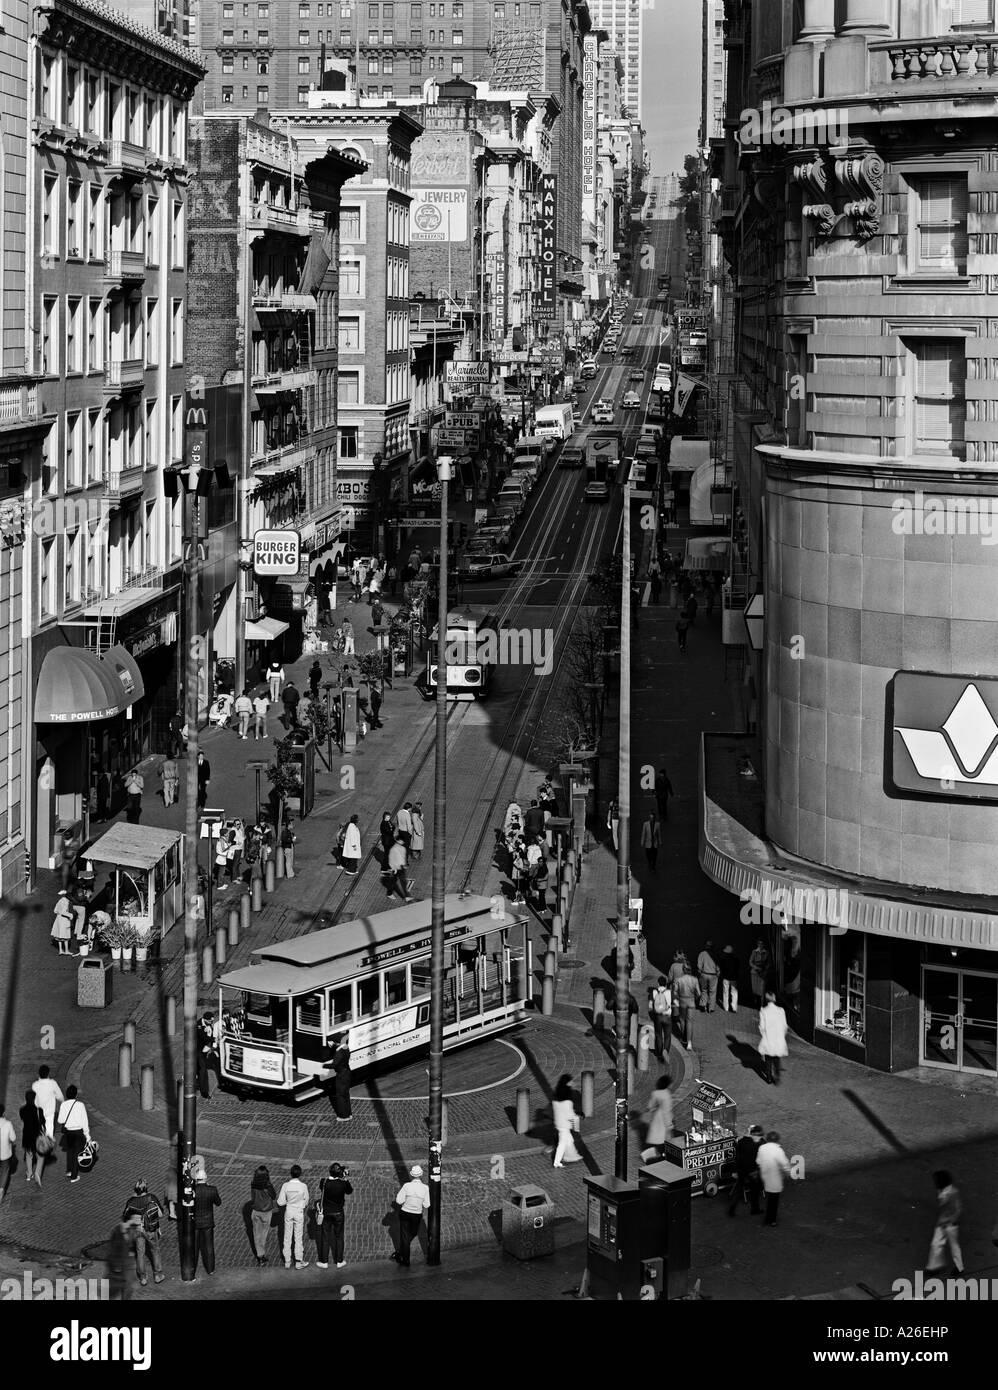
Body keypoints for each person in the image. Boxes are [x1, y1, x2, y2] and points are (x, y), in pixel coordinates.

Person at [121, 1180, 165, 1286]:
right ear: (146, 1188)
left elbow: (125, 1216)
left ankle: (143, 1278)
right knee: (155, 1251)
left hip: (137, 1229)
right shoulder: (152, 1198)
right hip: (150, 1229)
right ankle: (158, 1275)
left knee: (140, 1253)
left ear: (135, 1189)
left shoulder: (131, 1201)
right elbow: (160, 1214)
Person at [316, 1163, 353, 1269]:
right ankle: (339, 1260)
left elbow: (322, 1188)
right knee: (339, 1237)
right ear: (340, 1173)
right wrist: (345, 1179)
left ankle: (324, 1262)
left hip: (326, 1212)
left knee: (325, 1237)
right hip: (338, 1213)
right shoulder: (343, 1184)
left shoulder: (324, 1182)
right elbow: (350, 1191)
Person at [927, 1171, 964, 1275]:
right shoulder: (941, 1191)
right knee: (936, 1244)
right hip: (943, 1222)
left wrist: (952, 1220)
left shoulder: (953, 1192)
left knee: (954, 1246)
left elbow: (958, 1209)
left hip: (950, 1223)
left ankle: (959, 1267)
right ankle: (935, 1266)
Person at [393, 1165, 430, 1267]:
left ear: (412, 1175)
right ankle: (405, 1258)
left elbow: (399, 1200)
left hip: (405, 1212)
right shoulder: (425, 1188)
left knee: (405, 1235)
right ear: (421, 1175)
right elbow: (426, 1204)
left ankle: (402, 1255)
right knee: (412, 1233)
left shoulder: (406, 1186)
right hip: (416, 1215)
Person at [278, 1164, 311, 1269]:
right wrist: (300, 1204)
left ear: (291, 1173)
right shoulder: (303, 1186)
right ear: (300, 1174)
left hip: (289, 1211)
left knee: (287, 1237)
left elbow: (280, 1202)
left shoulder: (285, 1185)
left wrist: (289, 1201)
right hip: (299, 1212)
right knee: (298, 1237)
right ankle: (298, 1261)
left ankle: (287, 1261)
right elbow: (306, 1201)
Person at [56, 1085, 91, 1183]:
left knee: (70, 1152)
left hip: (68, 1133)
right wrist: (87, 1135)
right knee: (76, 1153)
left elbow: (60, 1120)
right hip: (78, 1132)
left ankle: (69, 1171)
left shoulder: (63, 1105)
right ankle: (74, 1176)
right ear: (75, 1094)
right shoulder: (80, 1105)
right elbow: (85, 1121)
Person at [192, 1160, 221, 1275]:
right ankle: (210, 1269)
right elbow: (218, 1202)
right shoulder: (212, 1190)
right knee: (209, 1246)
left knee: (194, 1247)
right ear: (206, 1178)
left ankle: (192, 1269)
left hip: (195, 1222)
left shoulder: (193, 1190)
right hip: (208, 1221)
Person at [757, 1132, 792, 1227]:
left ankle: (767, 1219)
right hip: (775, 1178)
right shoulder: (778, 1150)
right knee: (774, 1200)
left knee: (770, 1199)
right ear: (777, 1140)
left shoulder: (762, 1148)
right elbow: (784, 1164)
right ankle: (771, 1220)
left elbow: (758, 1162)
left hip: (765, 1177)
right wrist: (789, 1173)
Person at [727, 1125, 764, 1217]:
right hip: (753, 1171)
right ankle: (755, 1209)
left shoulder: (742, 1141)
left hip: (742, 1170)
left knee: (738, 1189)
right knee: (754, 1191)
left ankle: (732, 1210)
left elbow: (737, 1157)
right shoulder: (760, 1142)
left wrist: (735, 1170)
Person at [758, 992, 789, 1085]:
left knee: (768, 1058)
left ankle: (769, 1078)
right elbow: (784, 1026)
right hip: (778, 1037)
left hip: (768, 1037)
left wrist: (764, 1035)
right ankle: (777, 1075)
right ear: (774, 999)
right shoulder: (781, 1010)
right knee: (776, 1057)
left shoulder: (763, 1011)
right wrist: (782, 1035)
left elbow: (761, 1027)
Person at [552, 1074, 582, 1168]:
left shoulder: (556, 1098)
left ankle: (571, 1156)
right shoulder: (568, 1102)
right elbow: (570, 1116)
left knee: (570, 1140)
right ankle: (557, 1162)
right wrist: (576, 1117)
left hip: (559, 1123)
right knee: (562, 1144)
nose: (572, 1083)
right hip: (565, 1125)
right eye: (570, 1081)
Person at [250, 1165, 278, 1266]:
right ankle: (261, 1254)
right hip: (266, 1212)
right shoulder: (268, 1186)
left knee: (256, 1234)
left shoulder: (253, 1184)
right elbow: (274, 1196)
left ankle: (260, 1255)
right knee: (263, 1234)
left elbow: (253, 1197)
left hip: (256, 1211)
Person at [642, 1077, 673, 1159]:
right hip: (664, 1117)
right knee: (666, 1138)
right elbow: (666, 1111)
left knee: (657, 1136)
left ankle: (656, 1153)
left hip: (657, 1116)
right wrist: (669, 1124)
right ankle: (662, 1154)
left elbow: (650, 1106)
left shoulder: (655, 1093)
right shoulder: (667, 1094)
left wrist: (654, 1109)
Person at [19, 1090, 45, 1187]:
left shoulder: (22, 1110)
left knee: (28, 1154)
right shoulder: (39, 1110)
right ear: (34, 1098)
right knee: (40, 1156)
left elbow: (22, 1118)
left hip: (26, 1135)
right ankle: (37, 1173)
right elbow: (43, 1122)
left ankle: (29, 1174)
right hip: (37, 1135)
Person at [673, 963, 701, 1051]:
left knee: (682, 1019)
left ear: (683, 970)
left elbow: (675, 992)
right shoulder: (695, 979)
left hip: (682, 1001)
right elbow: (699, 993)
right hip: (691, 1002)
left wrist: (678, 997)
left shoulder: (679, 980)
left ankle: (683, 1037)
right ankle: (689, 1043)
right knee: (690, 1021)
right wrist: (695, 998)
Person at [32, 1066, 63, 1139]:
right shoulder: (53, 1083)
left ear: (39, 1074)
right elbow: (60, 1096)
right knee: (49, 1126)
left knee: (41, 1127)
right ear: (48, 1073)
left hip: (39, 1110)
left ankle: (41, 1143)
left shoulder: (35, 1085)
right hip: (50, 1110)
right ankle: (49, 1143)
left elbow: (35, 1098)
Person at [197, 1013, 220, 1099]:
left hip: (204, 1050)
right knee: (203, 1070)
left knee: (199, 1069)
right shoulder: (198, 1025)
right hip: (197, 1050)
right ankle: (204, 1092)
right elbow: (203, 1037)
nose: (211, 1022)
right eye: (210, 1021)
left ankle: (200, 1086)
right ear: (205, 1019)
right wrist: (214, 1039)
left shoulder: (209, 1024)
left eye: (212, 1021)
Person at [649, 978, 673, 1061]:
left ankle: (659, 1053)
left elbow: (650, 1006)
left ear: (658, 983)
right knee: (667, 1036)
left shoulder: (654, 992)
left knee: (658, 1035)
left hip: (658, 1017)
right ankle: (665, 1051)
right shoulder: (669, 992)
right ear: (666, 984)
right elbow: (675, 1003)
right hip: (667, 1017)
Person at [387, 835, 413, 903]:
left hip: (401, 868)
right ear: (398, 841)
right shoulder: (393, 849)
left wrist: (404, 864)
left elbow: (403, 857)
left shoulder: (402, 848)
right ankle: (389, 893)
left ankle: (407, 896)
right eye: (401, 840)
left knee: (403, 882)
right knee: (393, 882)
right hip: (395, 868)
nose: (402, 842)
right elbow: (391, 860)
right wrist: (393, 868)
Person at [331, 1038, 352, 1120]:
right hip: (347, 1073)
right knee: (346, 1094)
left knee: (340, 1095)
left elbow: (334, 1065)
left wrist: (322, 1066)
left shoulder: (339, 1052)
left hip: (341, 1075)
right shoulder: (347, 1048)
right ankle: (349, 1113)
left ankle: (343, 1116)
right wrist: (334, 1046)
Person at [697, 940, 720, 1013]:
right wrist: (718, 973)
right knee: (712, 992)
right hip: (713, 975)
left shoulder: (702, 954)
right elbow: (718, 966)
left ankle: (703, 1005)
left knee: (704, 990)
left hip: (704, 974)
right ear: (712, 947)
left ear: (706, 946)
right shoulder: (715, 954)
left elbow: (699, 966)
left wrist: (700, 973)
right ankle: (711, 1008)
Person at [0, 1105, 16, 1202]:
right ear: (3, 1113)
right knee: (5, 1170)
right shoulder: (8, 1124)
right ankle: (1, 1189)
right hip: (4, 1152)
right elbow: (13, 1138)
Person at [749, 938, 770, 1008]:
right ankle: (755, 1003)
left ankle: (761, 1004)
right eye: (759, 943)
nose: (760, 945)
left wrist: (765, 969)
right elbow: (750, 962)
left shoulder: (766, 952)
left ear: (764, 945)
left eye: (762, 944)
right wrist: (756, 967)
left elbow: (768, 963)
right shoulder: (754, 952)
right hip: (755, 973)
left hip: (763, 973)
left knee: (762, 990)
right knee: (754, 989)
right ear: (757, 944)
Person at [719, 945, 740, 1012]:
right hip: (734, 977)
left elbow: (721, 968)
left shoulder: (723, 959)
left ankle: (726, 1007)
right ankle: (734, 1007)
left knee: (725, 992)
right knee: (734, 992)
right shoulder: (736, 959)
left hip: (726, 977)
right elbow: (738, 968)